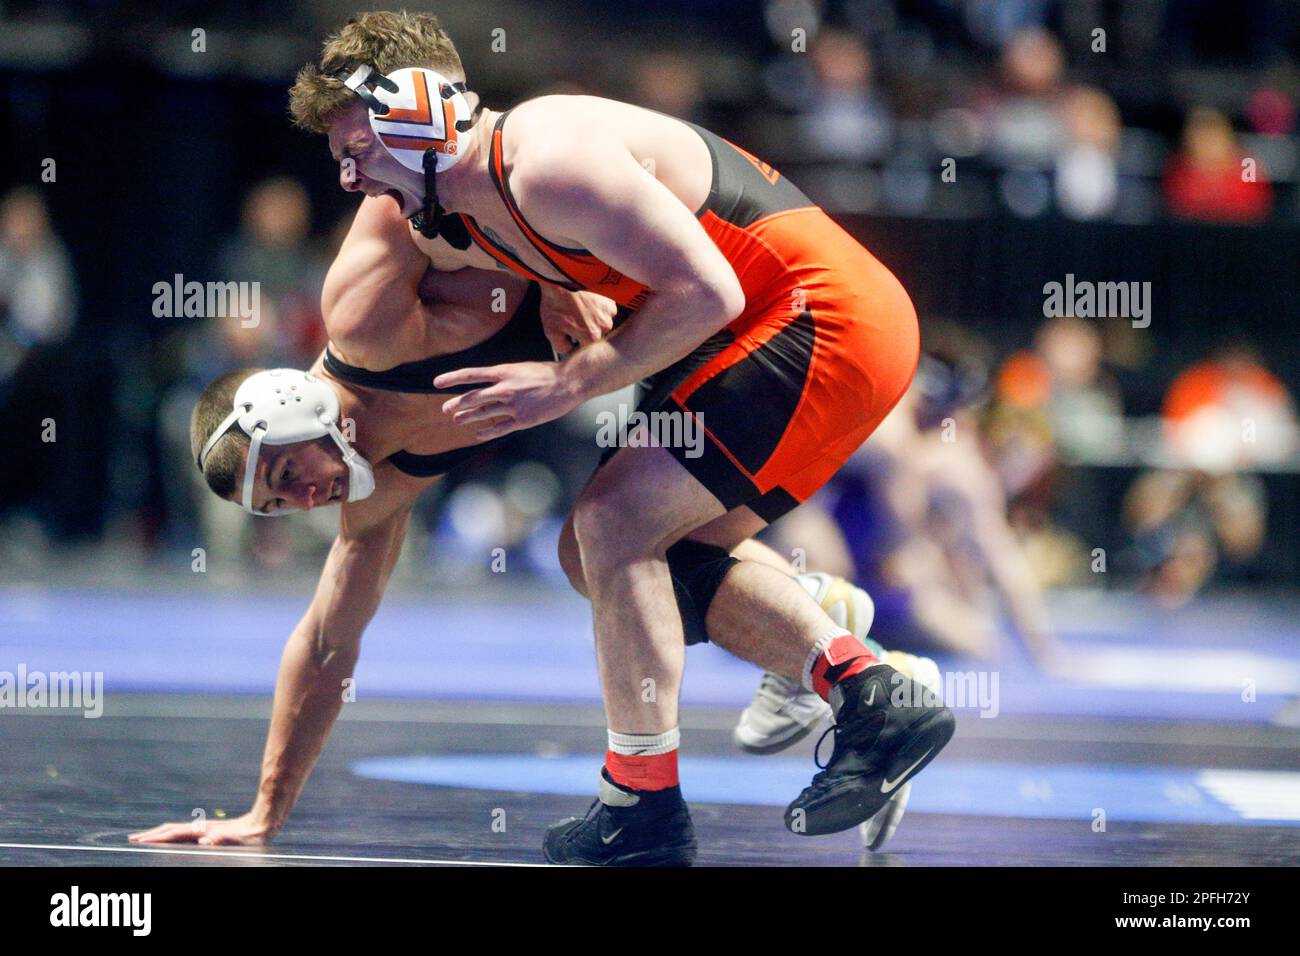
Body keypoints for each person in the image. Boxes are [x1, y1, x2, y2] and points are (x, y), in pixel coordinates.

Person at [282, 10, 953, 864]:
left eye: (357, 151)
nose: (349, 179)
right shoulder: (459, 210)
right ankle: (853, 671)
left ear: (418, 114)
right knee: (598, 553)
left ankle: (649, 803)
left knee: (615, 524)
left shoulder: (549, 159)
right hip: (771, 328)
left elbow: (706, 288)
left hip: (818, 315)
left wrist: (564, 386)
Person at [129, 195, 937, 860]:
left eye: (285, 475)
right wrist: (264, 812)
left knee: (611, 529)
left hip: (754, 304)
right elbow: (328, 642)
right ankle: (834, 643)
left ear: (284, 405)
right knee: (604, 550)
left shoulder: (365, 316)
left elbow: (433, 181)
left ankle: (676, 782)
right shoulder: (376, 493)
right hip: (709, 339)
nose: (304, 498)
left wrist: (548, 273)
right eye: (280, 506)